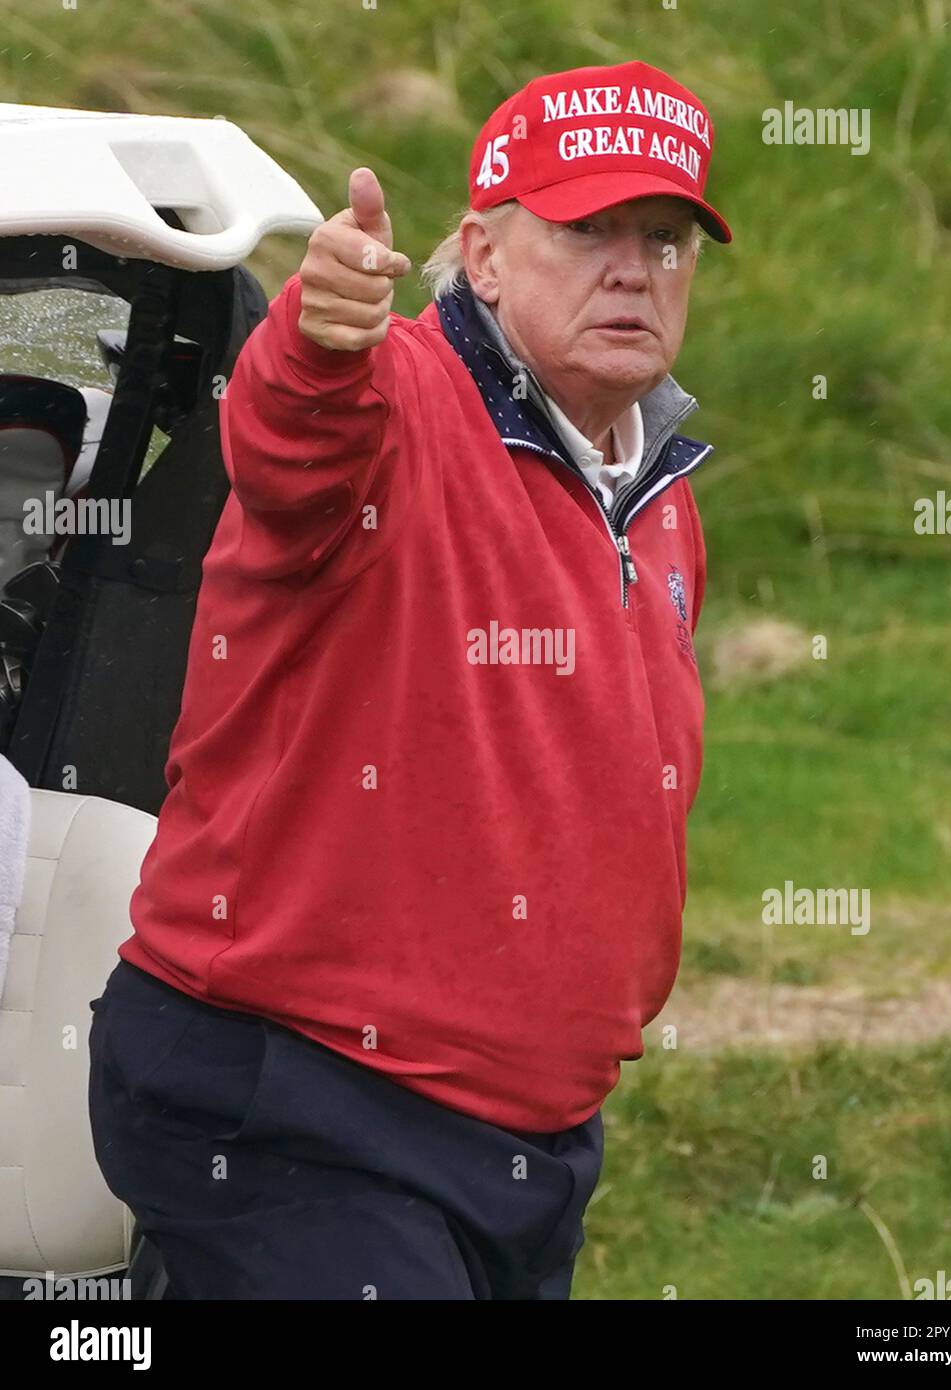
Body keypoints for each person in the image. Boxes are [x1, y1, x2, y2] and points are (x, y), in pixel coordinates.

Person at [87, 58, 732, 1300]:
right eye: (586, 229)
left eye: (663, 240)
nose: (632, 269)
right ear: (481, 256)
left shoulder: (655, 487)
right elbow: (296, 429)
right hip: (299, 1102)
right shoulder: (398, 394)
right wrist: (316, 334)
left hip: (531, 1137)